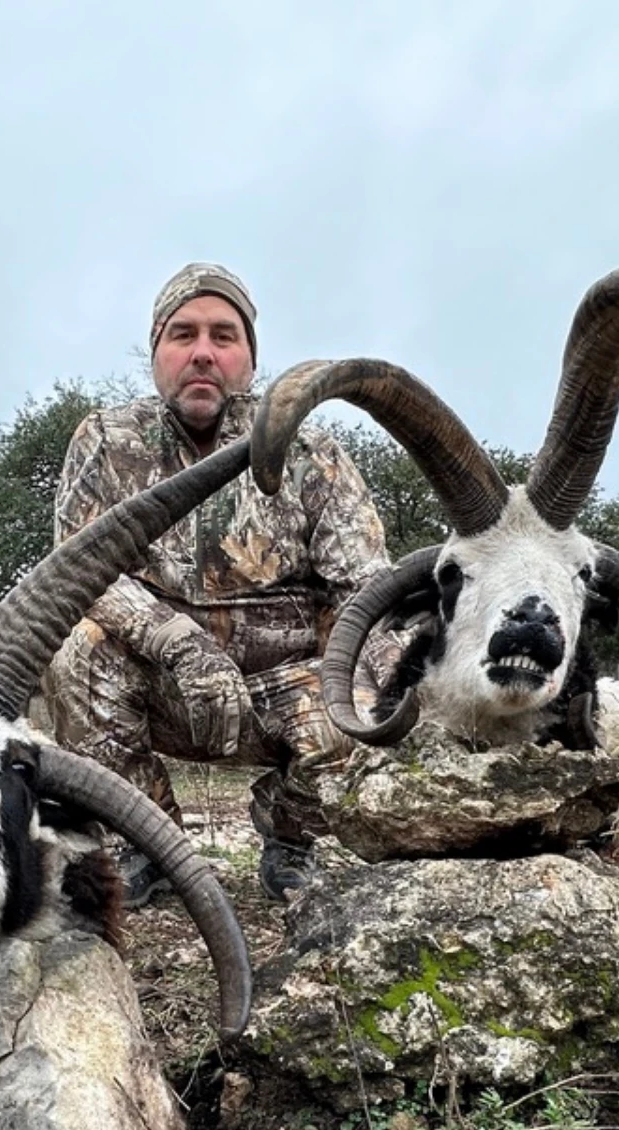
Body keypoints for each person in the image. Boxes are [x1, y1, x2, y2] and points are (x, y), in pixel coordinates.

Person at [43, 262, 393, 905]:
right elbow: (78, 571)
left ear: (250, 359)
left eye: (223, 336)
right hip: (165, 682)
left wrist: (396, 682)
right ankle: (149, 850)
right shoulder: (104, 440)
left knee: (374, 700)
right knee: (75, 653)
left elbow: (364, 588)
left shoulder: (314, 453)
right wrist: (178, 640)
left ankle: (290, 836)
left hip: (281, 691)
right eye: (183, 334)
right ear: (156, 352)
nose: (203, 353)